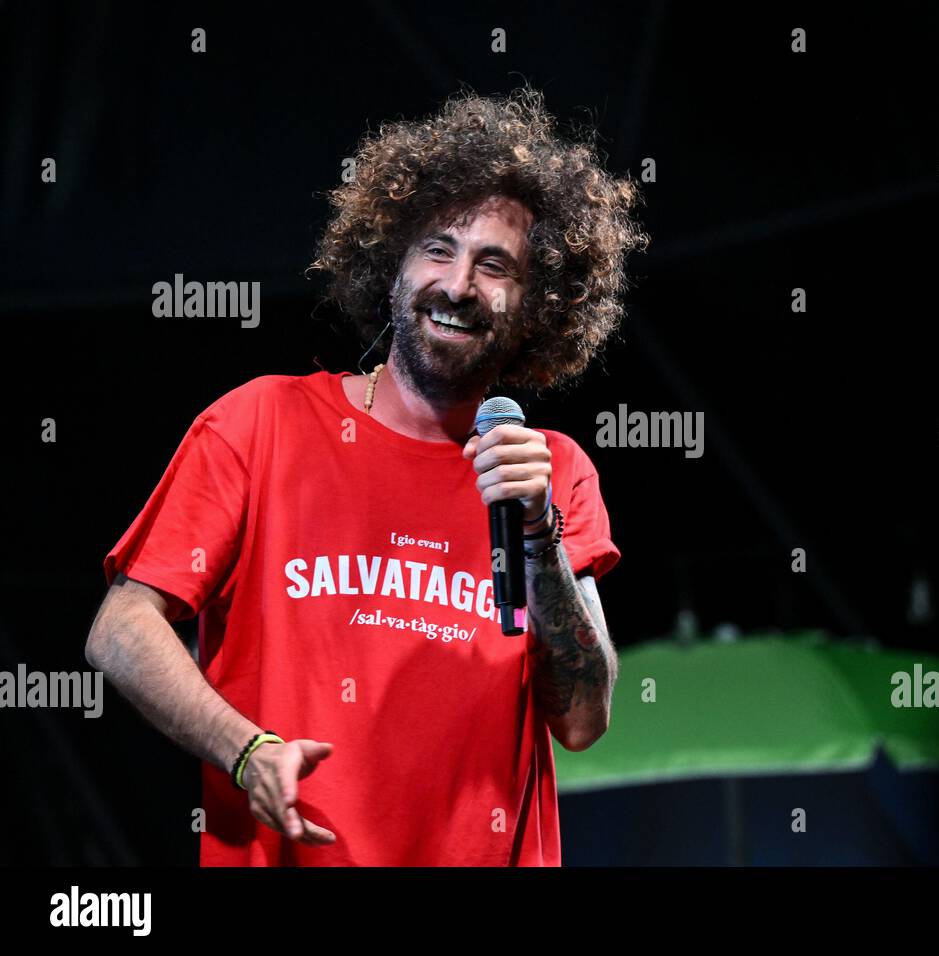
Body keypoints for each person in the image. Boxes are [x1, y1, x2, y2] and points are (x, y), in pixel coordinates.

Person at [85, 87, 650, 866]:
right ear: (392, 265)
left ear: (536, 306)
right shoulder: (261, 423)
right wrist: (245, 751)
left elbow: (584, 720)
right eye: (439, 248)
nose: (457, 285)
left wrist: (537, 536)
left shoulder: (552, 473)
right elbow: (120, 630)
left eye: (495, 266)